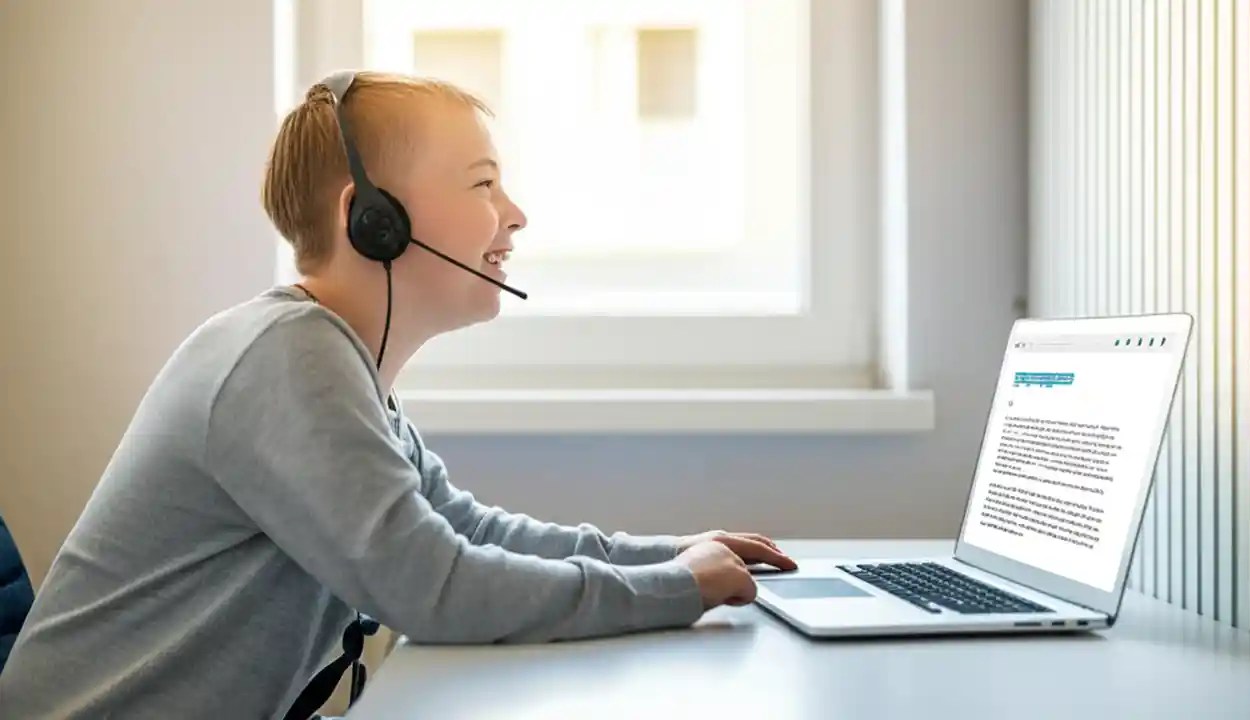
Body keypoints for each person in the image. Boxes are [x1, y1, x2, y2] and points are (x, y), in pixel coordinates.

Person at [0, 71, 796, 719]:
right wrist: (672, 588)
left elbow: (468, 531)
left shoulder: (339, 368)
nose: (514, 216)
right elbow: (433, 586)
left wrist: (673, 553)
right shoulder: (285, 360)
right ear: (372, 221)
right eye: (484, 183)